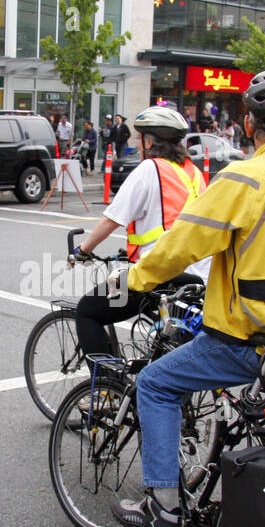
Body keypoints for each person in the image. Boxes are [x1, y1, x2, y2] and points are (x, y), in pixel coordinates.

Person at [108, 69, 265, 527]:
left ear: (247, 123)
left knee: (155, 384)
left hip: (247, 339)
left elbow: (182, 245)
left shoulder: (241, 178)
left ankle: (163, 507)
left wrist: (133, 278)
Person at [70, 106, 208, 359]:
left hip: (162, 274)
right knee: (164, 339)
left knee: (87, 310)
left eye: (139, 138)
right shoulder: (194, 173)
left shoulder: (150, 169)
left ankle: (104, 391)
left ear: (149, 141)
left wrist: (82, 251)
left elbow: (111, 220)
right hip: (197, 278)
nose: (138, 143)